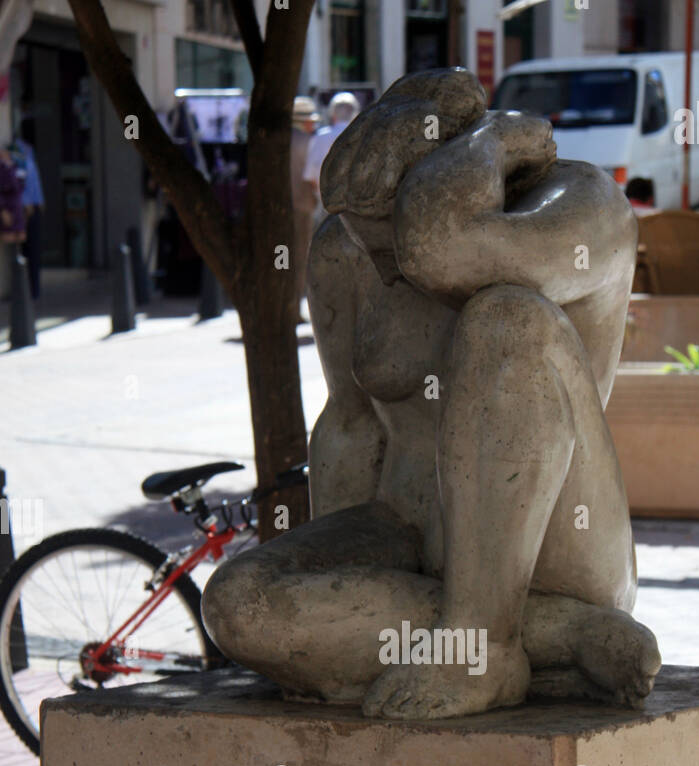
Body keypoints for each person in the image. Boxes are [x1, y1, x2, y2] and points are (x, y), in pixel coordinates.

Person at [203, 69, 660, 720]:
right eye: (365, 239)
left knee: (505, 320)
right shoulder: (346, 252)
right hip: (404, 528)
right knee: (239, 602)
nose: (382, 265)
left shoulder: (582, 208)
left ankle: (490, 645)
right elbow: (351, 425)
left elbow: (447, 252)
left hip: (554, 547)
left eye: (390, 238)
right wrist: (331, 574)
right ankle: (561, 635)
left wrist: (497, 142)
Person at [302, 91, 360, 210]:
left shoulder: (320, 137)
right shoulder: (363, 135)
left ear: (332, 114)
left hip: (327, 204)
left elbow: (310, 175)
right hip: (358, 206)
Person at [291, 96, 319, 323]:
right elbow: (311, 177)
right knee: (298, 256)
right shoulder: (306, 141)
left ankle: (286, 304)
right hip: (300, 206)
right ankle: (293, 306)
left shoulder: (277, 140)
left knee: (281, 255)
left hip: (280, 208)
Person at [10, 131, 44, 299]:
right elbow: (22, 180)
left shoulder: (26, 151)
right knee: (24, 249)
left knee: (31, 249)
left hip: (31, 206)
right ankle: (27, 291)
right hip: (25, 207)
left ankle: (32, 290)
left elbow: (30, 178)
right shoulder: (17, 151)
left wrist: (37, 201)